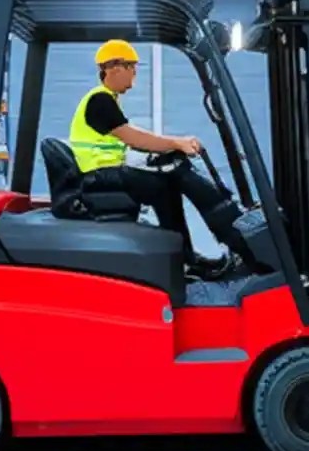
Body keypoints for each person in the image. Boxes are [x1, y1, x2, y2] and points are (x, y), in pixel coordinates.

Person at [69, 39, 251, 280]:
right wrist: (176, 143)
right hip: (100, 176)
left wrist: (167, 148)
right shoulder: (100, 100)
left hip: (104, 174)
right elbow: (134, 138)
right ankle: (195, 256)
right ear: (114, 68)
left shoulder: (107, 99)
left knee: (165, 184)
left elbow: (134, 139)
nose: (135, 72)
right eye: (131, 66)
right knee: (165, 184)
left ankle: (186, 258)